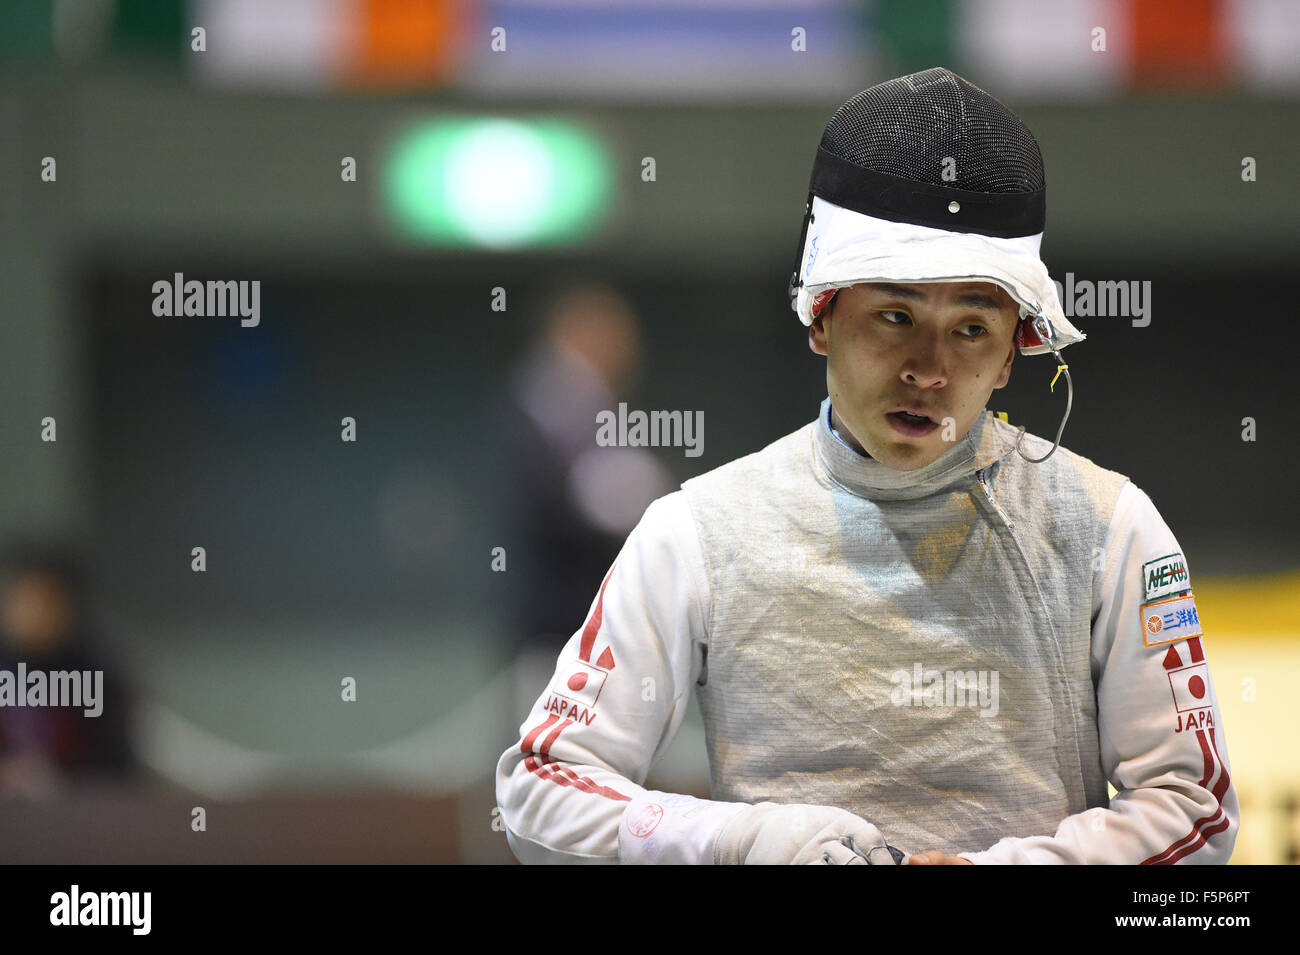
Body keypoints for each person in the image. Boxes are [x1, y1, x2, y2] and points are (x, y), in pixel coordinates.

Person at [494, 67, 1237, 865]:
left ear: (1016, 348)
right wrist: (738, 841)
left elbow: (1193, 807)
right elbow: (541, 790)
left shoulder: (1110, 527)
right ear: (822, 316)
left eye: (971, 329)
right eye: (894, 316)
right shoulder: (698, 533)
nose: (929, 368)